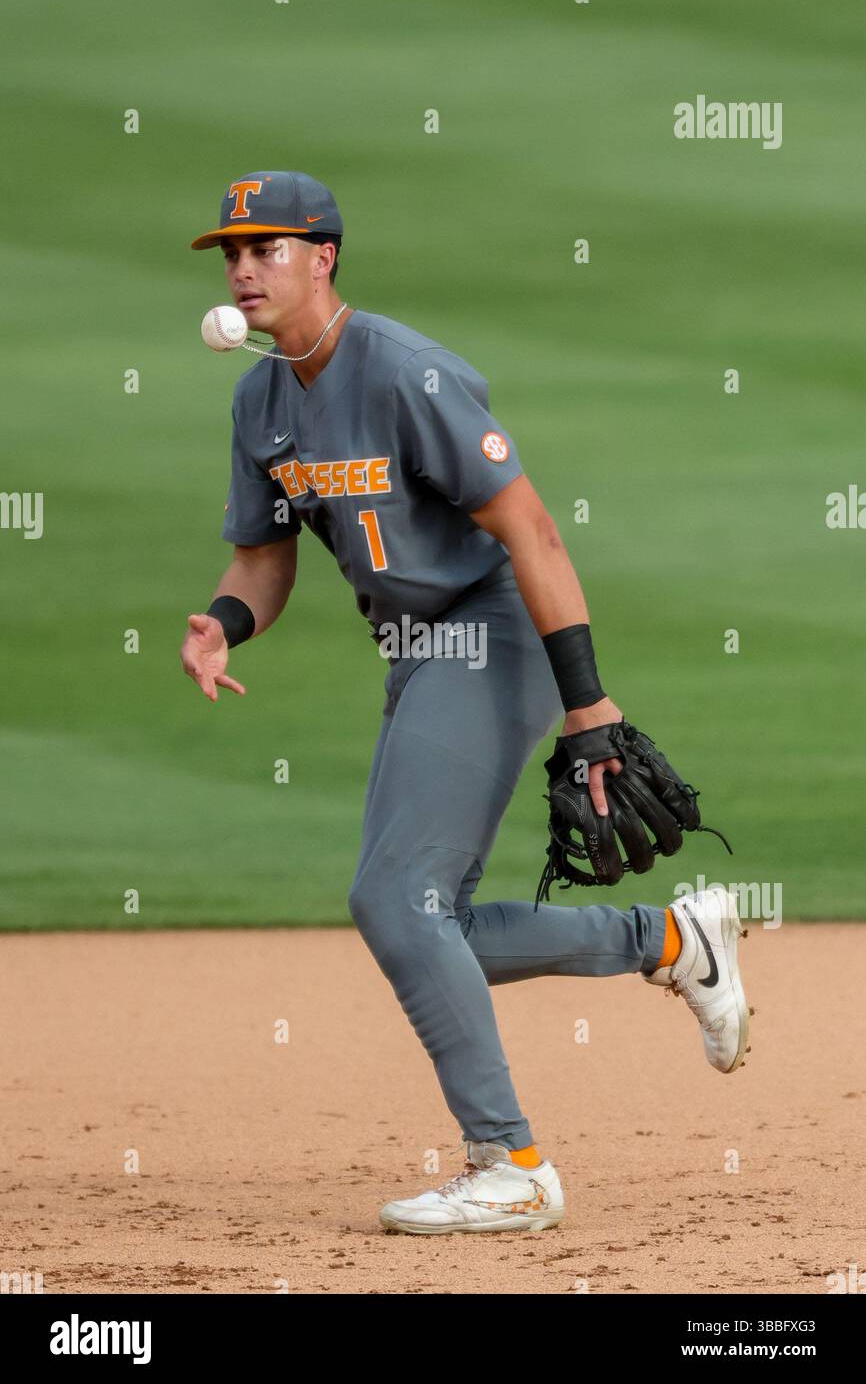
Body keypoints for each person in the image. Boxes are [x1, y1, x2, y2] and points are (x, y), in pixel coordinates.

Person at [181, 171, 751, 1236]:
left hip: (489, 633)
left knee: (396, 903)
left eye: (266, 247)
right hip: (413, 651)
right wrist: (224, 620)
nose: (243, 267)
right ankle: (671, 942)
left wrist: (589, 708)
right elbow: (260, 558)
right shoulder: (260, 398)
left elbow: (530, 529)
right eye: (231, 252)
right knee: (416, 919)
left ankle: (512, 1162)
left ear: (324, 256)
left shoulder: (404, 373)